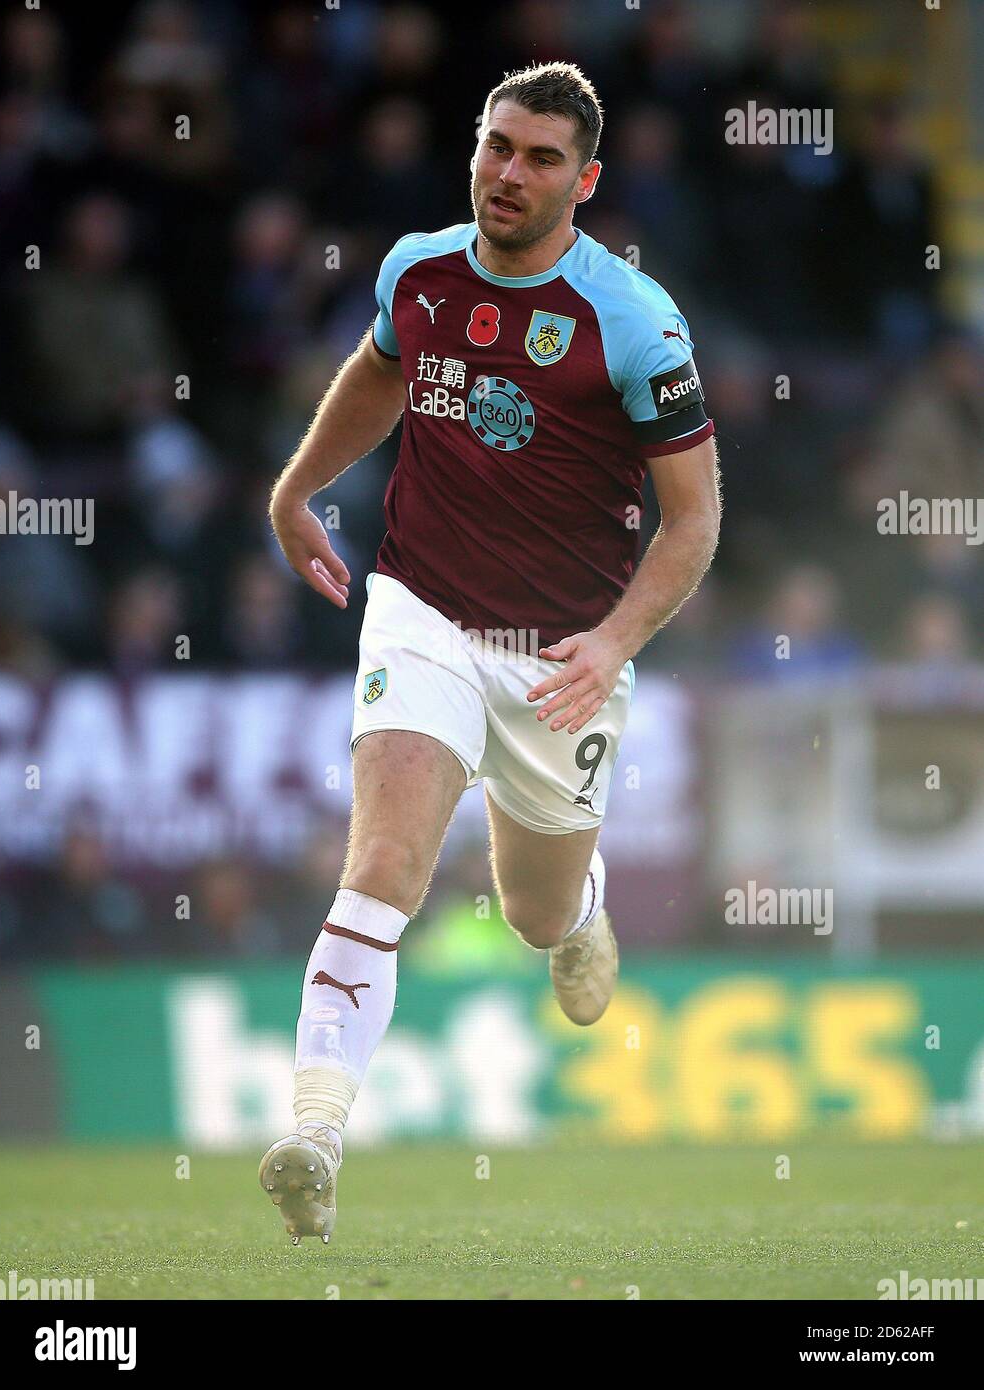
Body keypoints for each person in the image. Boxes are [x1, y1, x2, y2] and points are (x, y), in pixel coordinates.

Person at [260, 61, 721, 1244]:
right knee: (385, 866)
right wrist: (302, 488)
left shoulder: (631, 318)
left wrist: (612, 641)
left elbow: (694, 518)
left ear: (587, 179)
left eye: (541, 158)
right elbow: (379, 376)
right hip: (420, 611)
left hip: (563, 650)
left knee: (529, 909)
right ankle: (313, 1128)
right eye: (497, 145)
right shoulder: (417, 269)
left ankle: (581, 915)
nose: (509, 173)